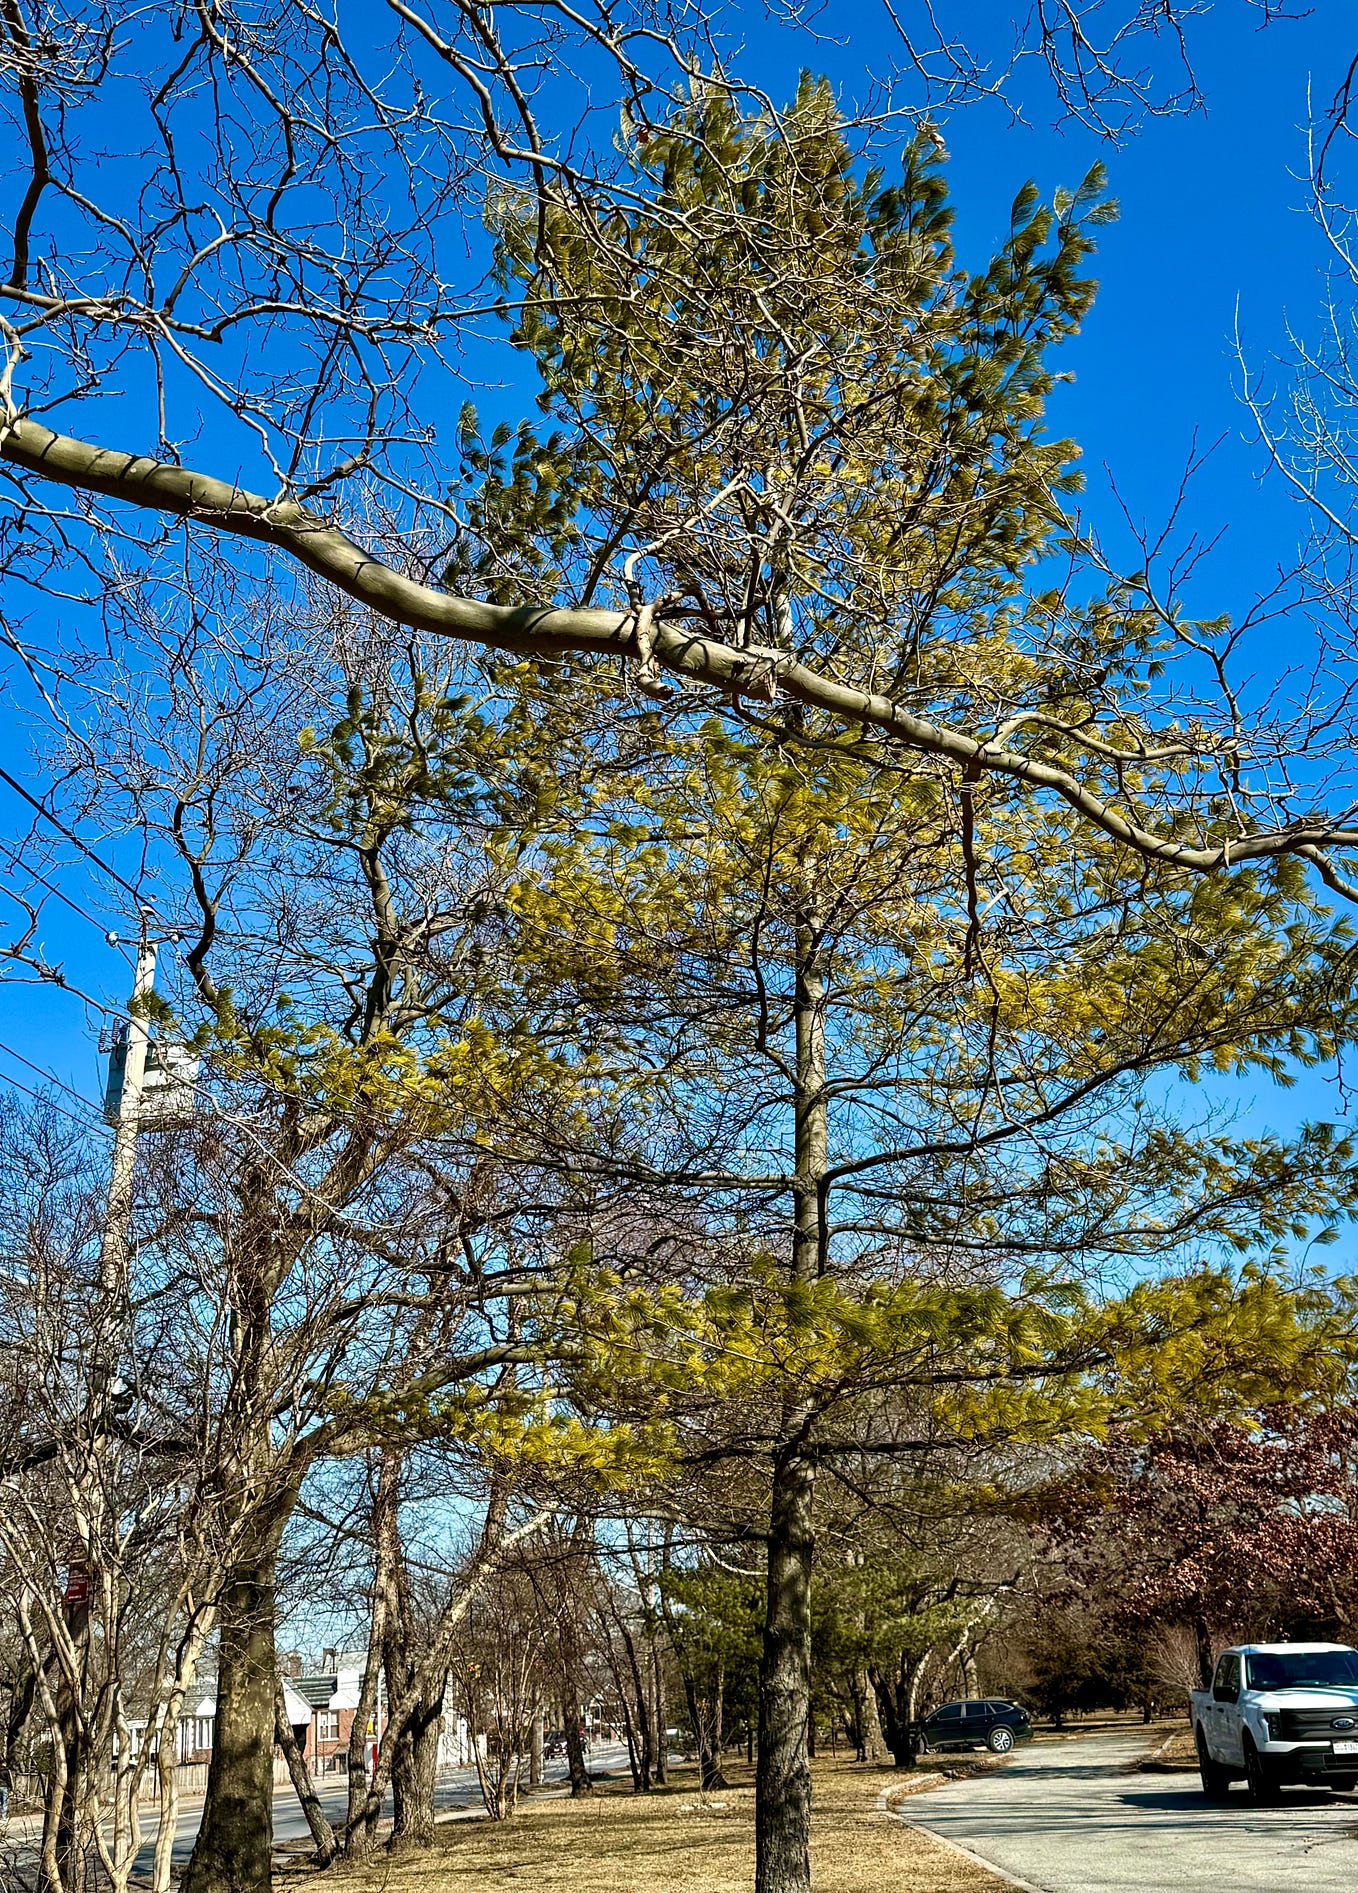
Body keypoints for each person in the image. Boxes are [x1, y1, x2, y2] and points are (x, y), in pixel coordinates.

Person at [0, 1755, 12, 1824]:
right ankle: (3, 1818)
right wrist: (11, 1788)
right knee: (4, 1802)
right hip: (4, 1787)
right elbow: (9, 1780)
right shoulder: (6, 1771)